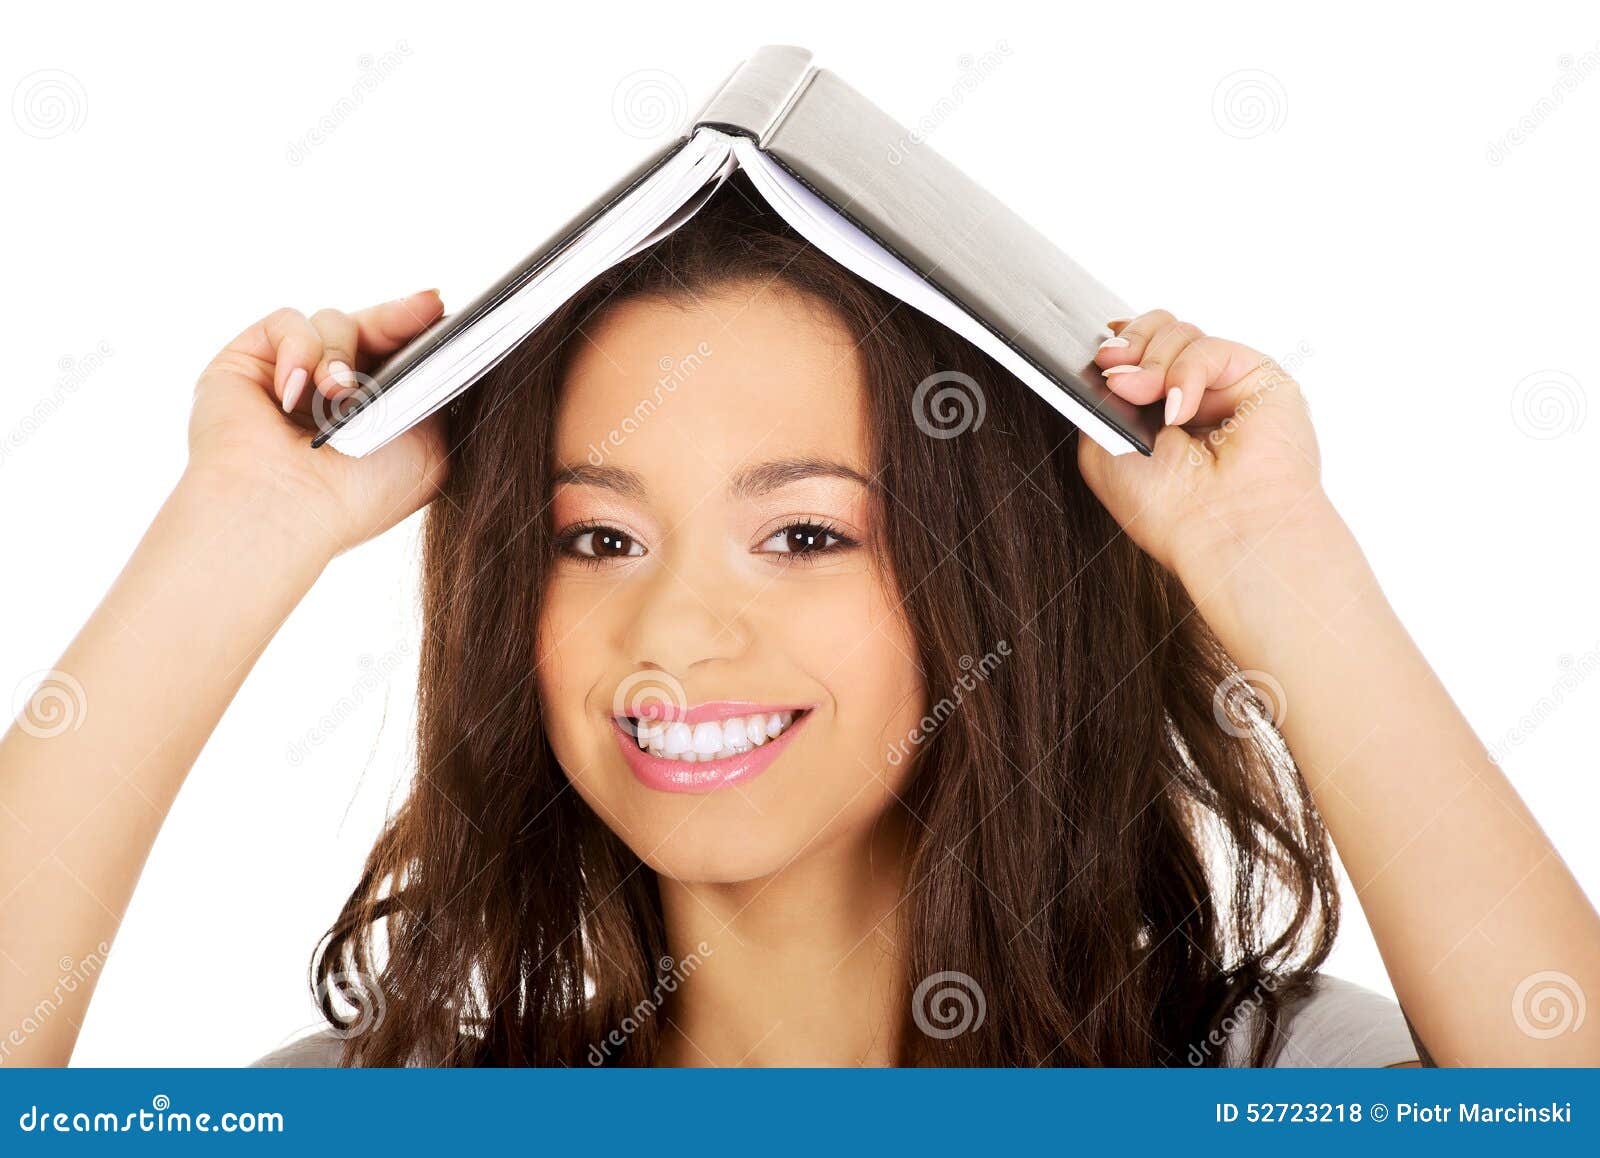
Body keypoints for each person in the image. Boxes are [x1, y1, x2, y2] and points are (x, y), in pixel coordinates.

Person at [4, 177, 1597, 1067]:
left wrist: (1272, 549)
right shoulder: (389, 1102)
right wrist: (239, 526)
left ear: (987, 590)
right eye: (598, 536)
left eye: (807, 533)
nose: (676, 629)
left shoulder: (1265, 1078)